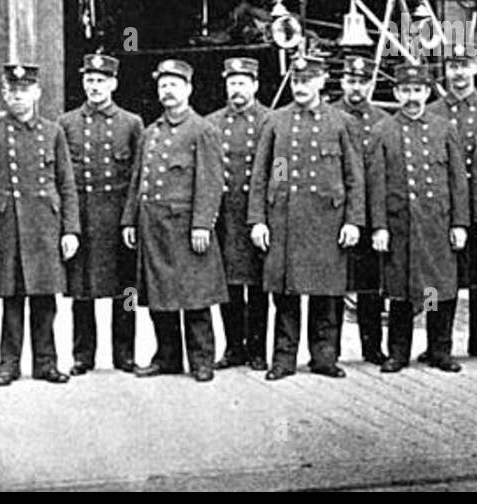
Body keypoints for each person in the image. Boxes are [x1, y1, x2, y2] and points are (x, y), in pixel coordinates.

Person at [248, 55, 364, 380]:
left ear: (322, 80)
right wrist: (258, 219)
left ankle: (324, 357)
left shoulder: (341, 123)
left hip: (328, 222)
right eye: (297, 81)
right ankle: (284, 360)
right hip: (286, 222)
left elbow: (353, 176)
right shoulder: (276, 122)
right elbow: (266, 173)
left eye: (308, 80)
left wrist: (353, 221)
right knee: (286, 296)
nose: (301, 87)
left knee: (326, 295)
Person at [0, 63, 80, 387]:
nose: (17, 97)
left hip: (45, 229)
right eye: (11, 91)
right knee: (12, 298)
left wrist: (71, 230)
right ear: (4, 94)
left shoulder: (53, 132)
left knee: (45, 299)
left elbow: (67, 184)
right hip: (9, 230)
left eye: (24, 91)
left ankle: (46, 363)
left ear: (37, 93)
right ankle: (9, 363)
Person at [122, 59, 224, 382]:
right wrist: (129, 221)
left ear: (189, 89)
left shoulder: (203, 130)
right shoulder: (151, 132)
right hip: (153, 228)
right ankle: (167, 358)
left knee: (195, 297)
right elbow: (138, 181)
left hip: (186, 228)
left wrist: (202, 224)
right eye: (163, 84)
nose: (167, 90)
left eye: (174, 84)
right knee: (160, 297)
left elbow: (210, 182)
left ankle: (202, 360)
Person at [368, 63, 469, 373]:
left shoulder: (444, 128)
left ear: (427, 92)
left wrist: (460, 223)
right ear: (397, 93)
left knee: (437, 289)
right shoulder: (382, 131)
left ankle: (440, 350)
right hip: (402, 227)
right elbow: (376, 184)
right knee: (400, 293)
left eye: (417, 90)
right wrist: (380, 226)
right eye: (406, 90)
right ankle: (398, 353)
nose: (412, 97)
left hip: (438, 224)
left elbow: (457, 180)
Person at [59, 53, 144, 375]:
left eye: (101, 80)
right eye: (89, 80)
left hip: (119, 221)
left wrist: (131, 219)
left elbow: (139, 177)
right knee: (82, 290)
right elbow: (63, 178)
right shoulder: (66, 124)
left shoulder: (131, 123)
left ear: (114, 84)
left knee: (126, 290)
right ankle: (83, 355)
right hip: (83, 218)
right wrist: (69, 225)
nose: (94, 86)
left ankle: (125, 353)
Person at [427, 43, 477, 359]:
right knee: (436, 280)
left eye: (464, 65)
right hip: (441, 211)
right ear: (445, 71)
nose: (458, 72)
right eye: (453, 66)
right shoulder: (431, 113)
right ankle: (435, 343)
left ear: (475, 68)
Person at [206, 57, 272, 371]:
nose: (237, 89)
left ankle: (257, 350)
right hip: (226, 216)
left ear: (255, 86)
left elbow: (280, 169)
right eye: (232, 83)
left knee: (258, 288)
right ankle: (233, 348)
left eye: (243, 83)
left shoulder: (270, 121)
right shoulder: (212, 123)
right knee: (228, 286)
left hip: (258, 214)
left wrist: (272, 206)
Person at [333, 53, 389, 365]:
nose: (357, 88)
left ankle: (372, 348)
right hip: (335, 214)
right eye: (351, 81)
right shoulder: (328, 115)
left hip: (370, 213)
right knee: (334, 285)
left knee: (370, 286)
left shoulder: (382, 120)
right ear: (342, 82)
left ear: (372, 84)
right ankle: (331, 349)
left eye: (363, 82)